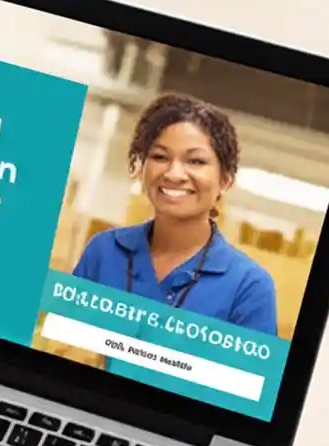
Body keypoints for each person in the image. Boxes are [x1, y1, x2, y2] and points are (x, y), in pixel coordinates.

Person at [72, 93, 278, 335]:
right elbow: (62, 343)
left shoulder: (249, 287)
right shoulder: (104, 250)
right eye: (160, 157)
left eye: (195, 161)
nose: (173, 174)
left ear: (225, 179)